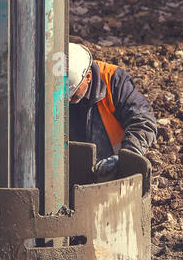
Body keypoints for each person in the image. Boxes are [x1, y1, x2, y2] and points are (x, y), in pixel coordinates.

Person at [67, 42, 158, 181]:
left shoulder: (113, 81)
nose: (66, 99)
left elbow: (143, 122)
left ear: (88, 77)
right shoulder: (46, 79)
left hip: (111, 175)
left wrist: (126, 157)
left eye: (72, 92)